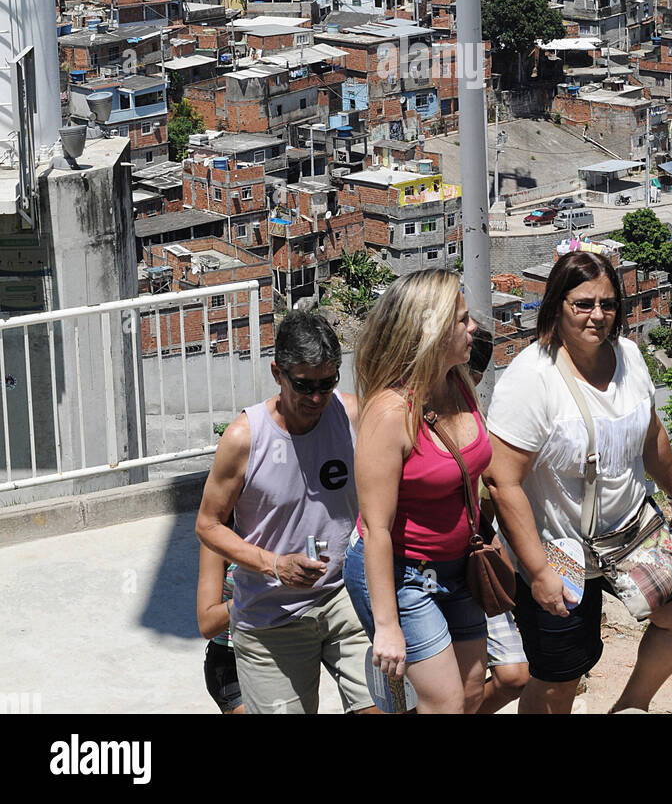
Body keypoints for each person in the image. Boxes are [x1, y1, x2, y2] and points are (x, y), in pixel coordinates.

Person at [485, 249, 672, 715]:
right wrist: (538, 572)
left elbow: (651, 433)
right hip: (557, 548)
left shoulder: (629, 357)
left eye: (608, 304)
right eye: (583, 303)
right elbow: (501, 482)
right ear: (556, 305)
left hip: (629, 532)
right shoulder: (532, 377)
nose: (598, 315)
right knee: (559, 679)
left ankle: (630, 706)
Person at [195, 311, 377, 715]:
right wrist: (274, 564)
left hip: (346, 594)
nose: (316, 398)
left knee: (389, 708)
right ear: (278, 373)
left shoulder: (353, 417)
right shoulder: (244, 438)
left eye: (327, 384)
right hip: (271, 615)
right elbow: (207, 525)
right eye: (304, 386)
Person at [343, 269, 491, 714]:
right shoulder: (390, 412)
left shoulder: (458, 382)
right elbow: (375, 527)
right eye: (462, 320)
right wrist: (387, 626)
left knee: (470, 694)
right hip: (404, 574)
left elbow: (473, 473)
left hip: (459, 567)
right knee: (442, 703)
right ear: (430, 330)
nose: (474, 328)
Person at [467, 328, 530, 716]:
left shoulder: (478, 418)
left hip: (476, 559)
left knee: (513, 675)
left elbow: (493, 492)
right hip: (425, 565)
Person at [197, 547, 244, 714]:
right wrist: (250, 597)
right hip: (231, 661)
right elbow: (207, 625)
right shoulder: (219, 539)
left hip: (283, 654)